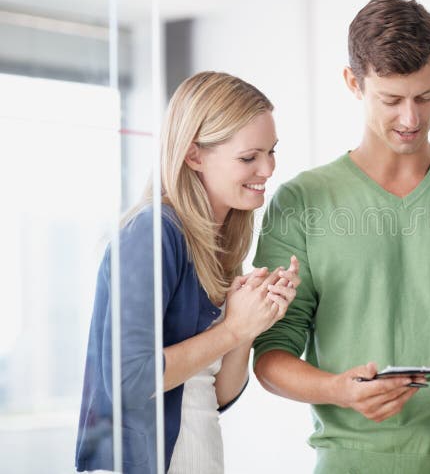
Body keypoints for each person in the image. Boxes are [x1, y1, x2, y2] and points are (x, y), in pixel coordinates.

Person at [252, 0, 430, 473]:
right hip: (350, 465)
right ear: (353, 83)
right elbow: (271, 354)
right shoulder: (299, 202)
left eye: (426, 96)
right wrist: (337, 390)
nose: (411, 118)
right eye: (392, 99)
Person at [75, 71, 301, 474]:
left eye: (272, 152)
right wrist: (231, 329)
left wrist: (250, 324)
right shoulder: (153, 233)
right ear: (194, 155)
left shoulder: (219, 244)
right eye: (249, 157)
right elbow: (131, 379)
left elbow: (219, 395)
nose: (268, 169)